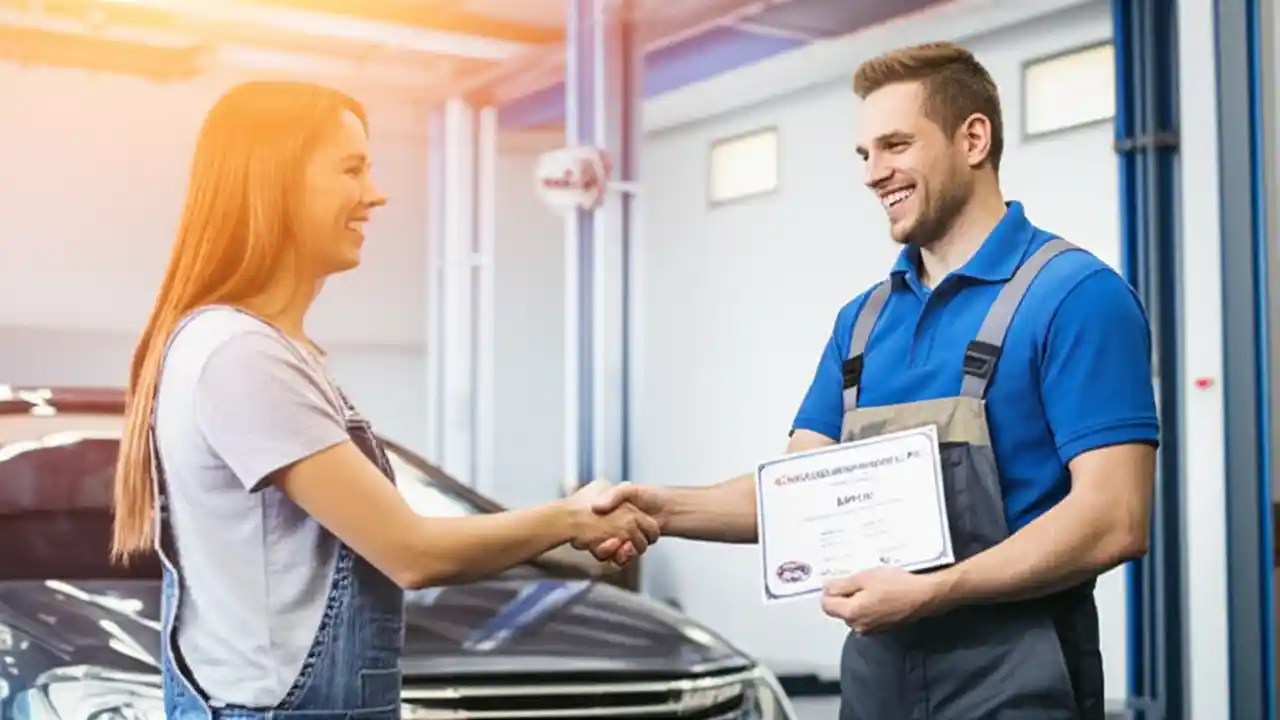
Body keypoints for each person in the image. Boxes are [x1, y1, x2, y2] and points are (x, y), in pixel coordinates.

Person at [589, 41, 1158, 719]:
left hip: (1018, 690)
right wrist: (662, 510)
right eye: (865, 155)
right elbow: (799, 494)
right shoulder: (862, 323)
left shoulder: (1074, 295)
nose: (873, 173)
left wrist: (935, 591)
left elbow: (1114, 518)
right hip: (876, 687)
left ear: (972, 138)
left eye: (894, 145)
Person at [109, 81, 659, 719]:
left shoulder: (265, 350)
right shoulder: (240, 355)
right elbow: (411, 552)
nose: (377, 193)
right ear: (276, 183)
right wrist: (571, 518)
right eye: (352, 168)